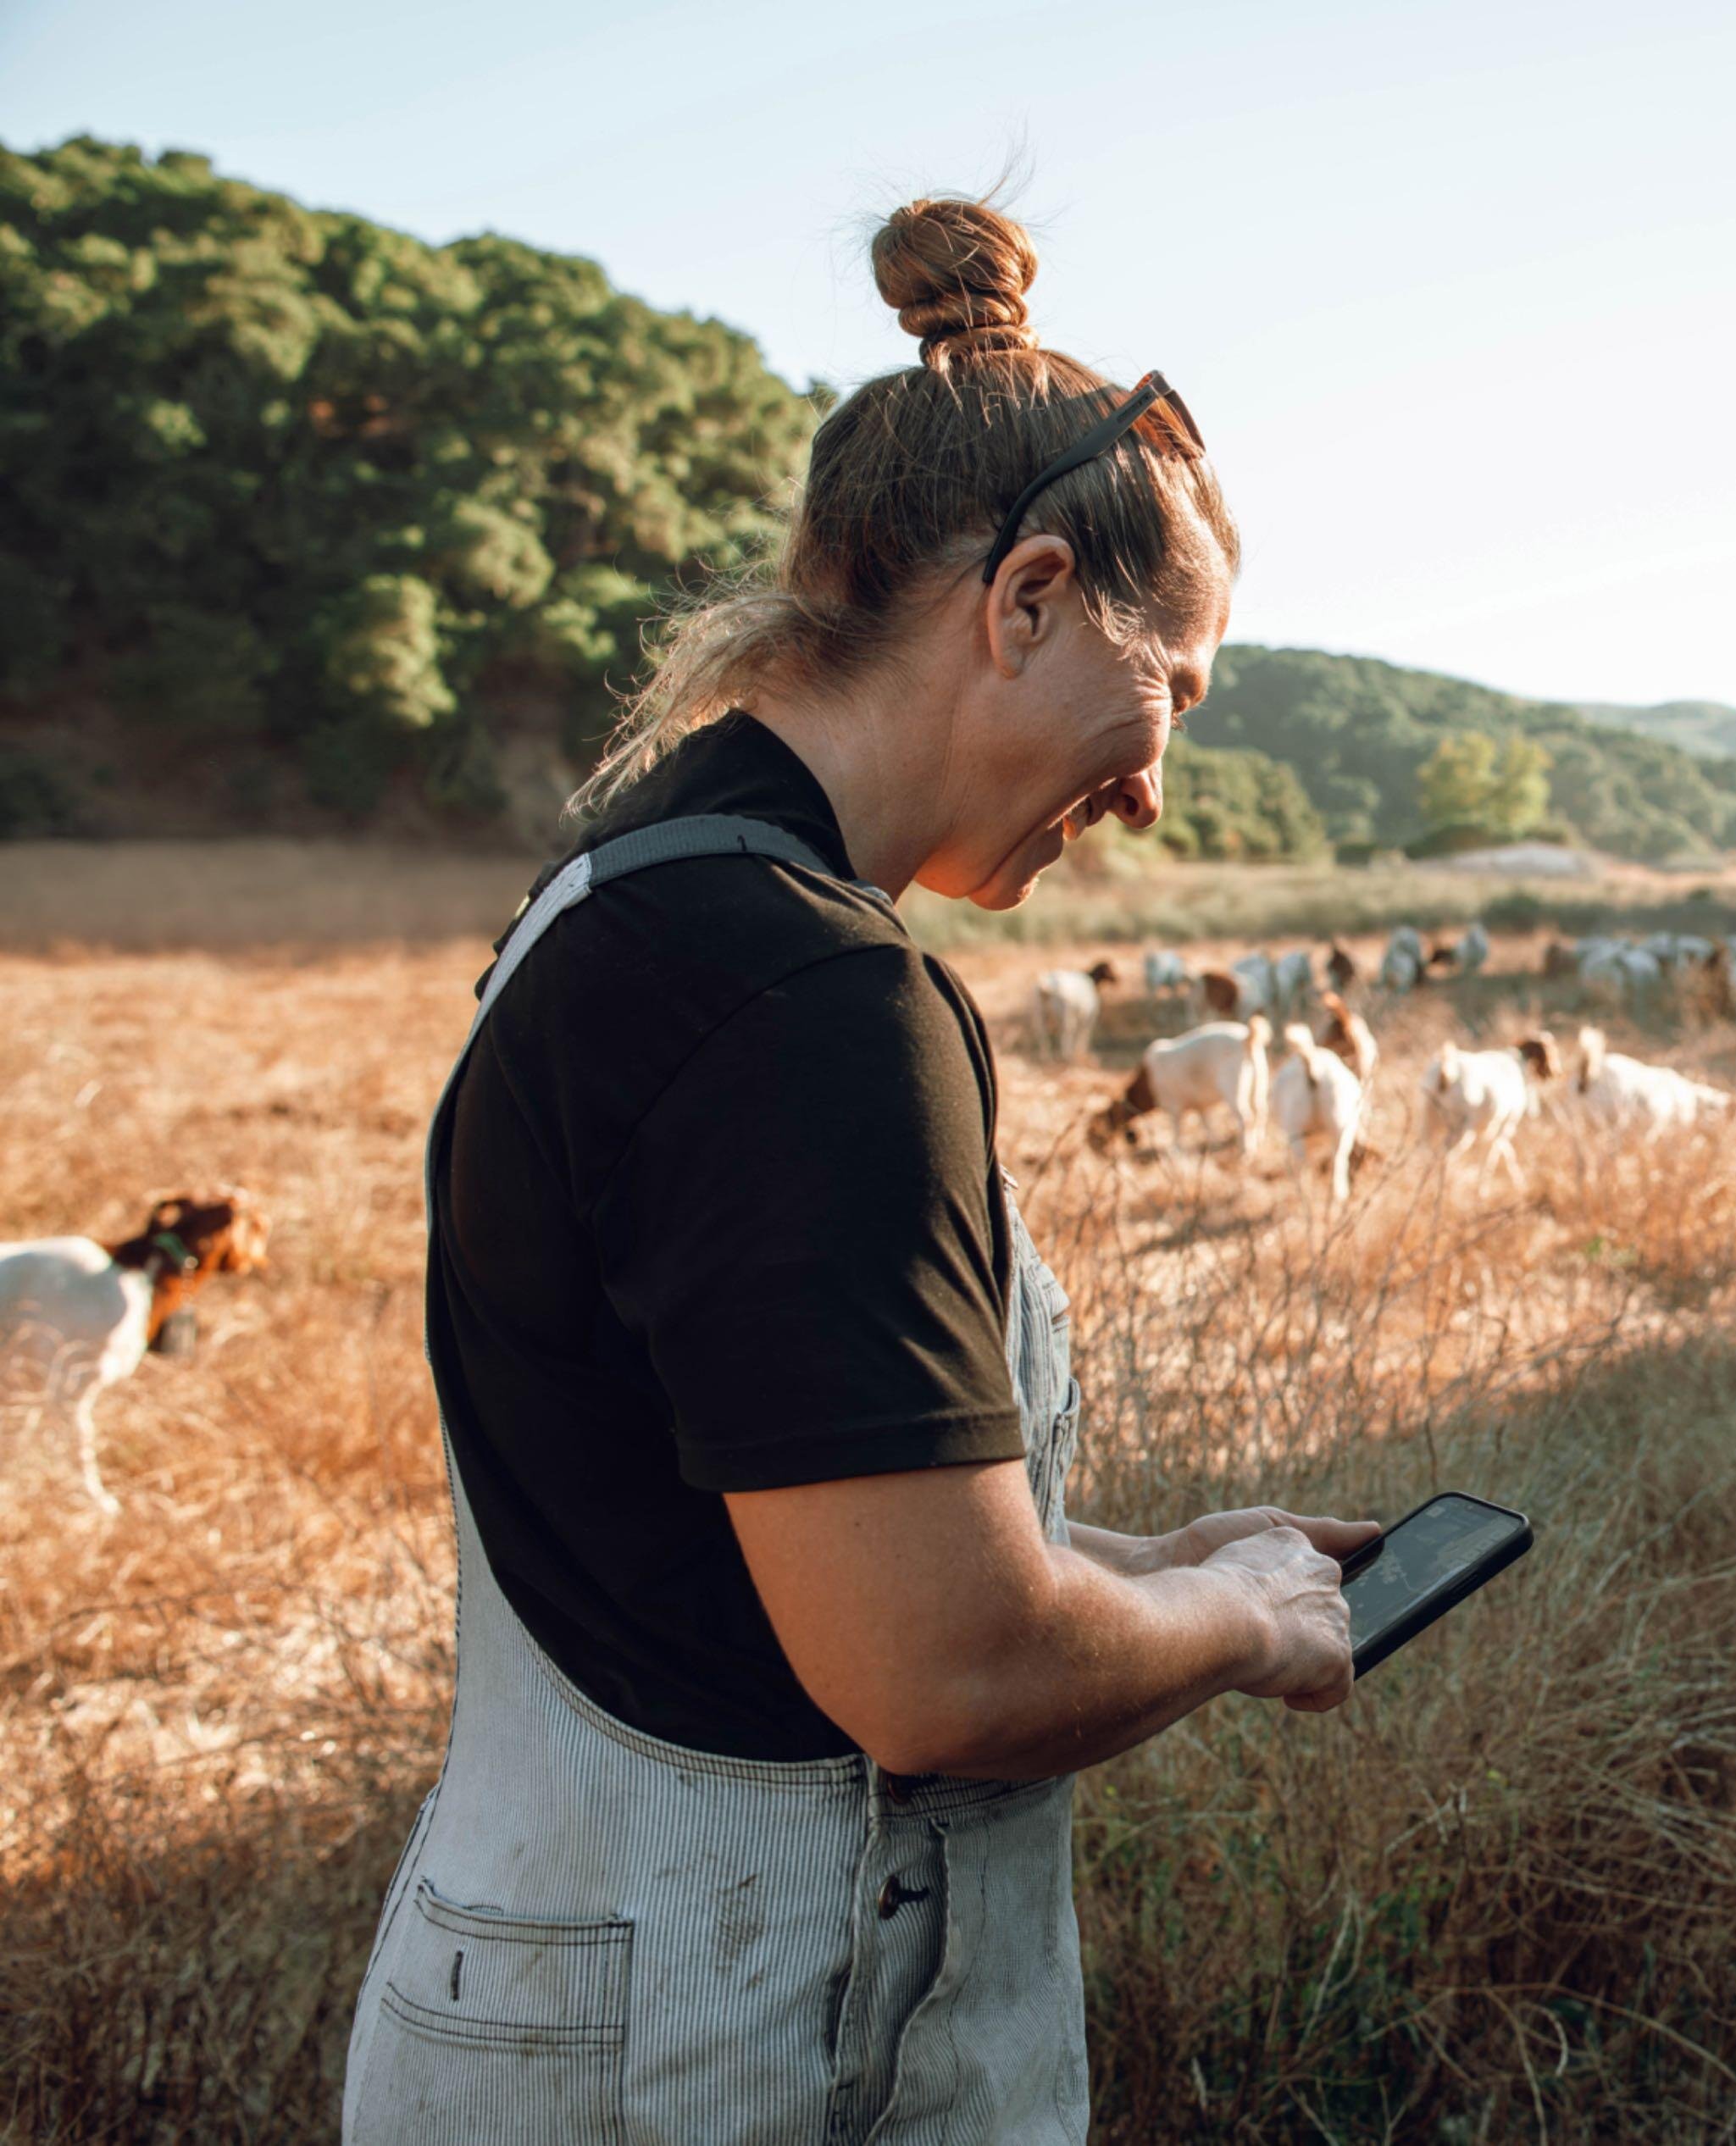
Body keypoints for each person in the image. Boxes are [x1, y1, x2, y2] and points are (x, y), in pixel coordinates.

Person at [342, 196, 1370, 2145]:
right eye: (1181, 692)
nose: (1155, 789)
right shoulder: (809, 995)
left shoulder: (622, 894)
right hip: (732, 2065)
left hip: (558, 1997)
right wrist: (1249, 1628)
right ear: (1033, 596)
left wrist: (1157, 1556)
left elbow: (735, 1539)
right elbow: (945, 1672)